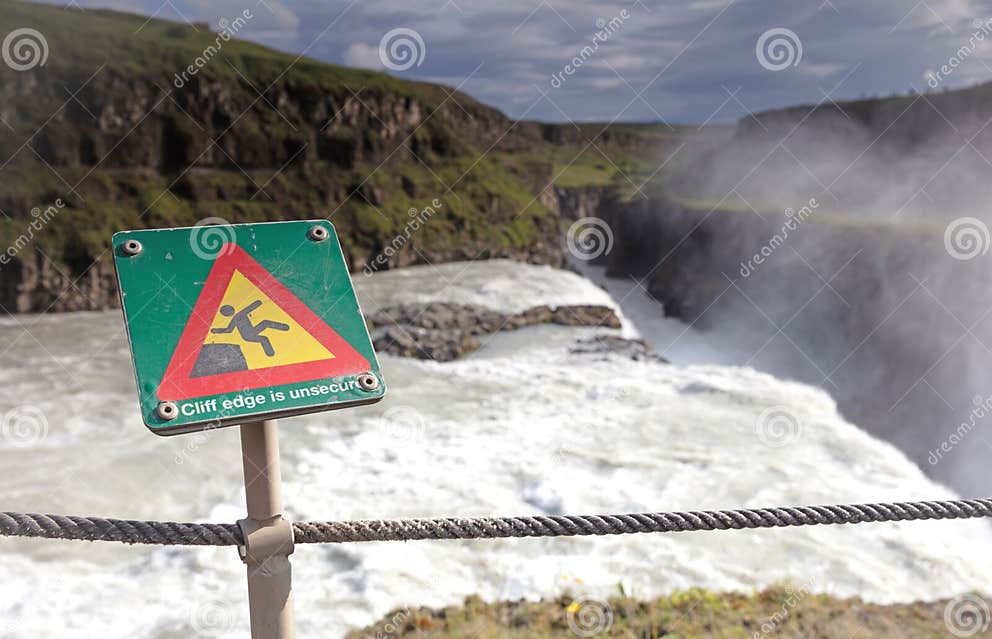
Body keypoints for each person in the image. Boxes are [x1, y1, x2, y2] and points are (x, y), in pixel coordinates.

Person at [210, 300, 289, 357]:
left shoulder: (238, 315)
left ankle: (285, 328)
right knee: (264, 337)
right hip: (248, 335)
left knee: (265, 325)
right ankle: (270, 353)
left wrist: (258, 303)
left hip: (250, 332)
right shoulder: (237, 317)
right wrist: (216, 330)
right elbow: (229, 330)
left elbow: (250, 308)